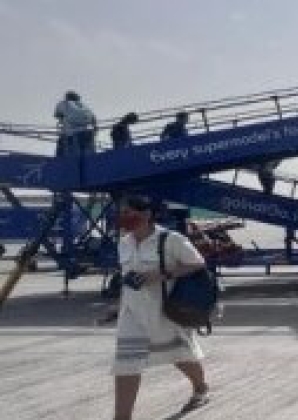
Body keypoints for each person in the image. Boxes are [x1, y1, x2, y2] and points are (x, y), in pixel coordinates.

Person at [112, 195, 210, 419]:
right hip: (132, 314)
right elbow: (127, 279)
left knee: (180, 356)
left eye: (128, 213)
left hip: (165, 311)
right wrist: (117, 307)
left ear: (146, 215)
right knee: (126, 364)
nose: (123, 218)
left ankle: (201, 387)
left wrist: (161, 275)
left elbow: (198, 264)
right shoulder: (124, 242)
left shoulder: (170, 239)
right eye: (122, 213)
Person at [54, 91, 97, 158]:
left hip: (70, 134)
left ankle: (59, 162)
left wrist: (63, 119)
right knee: (88, 154)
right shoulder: (84, 106)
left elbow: (57, 115)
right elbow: (94, 119)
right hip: (87, 133)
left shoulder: (63, 103)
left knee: (65, 151)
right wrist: (95, 129)